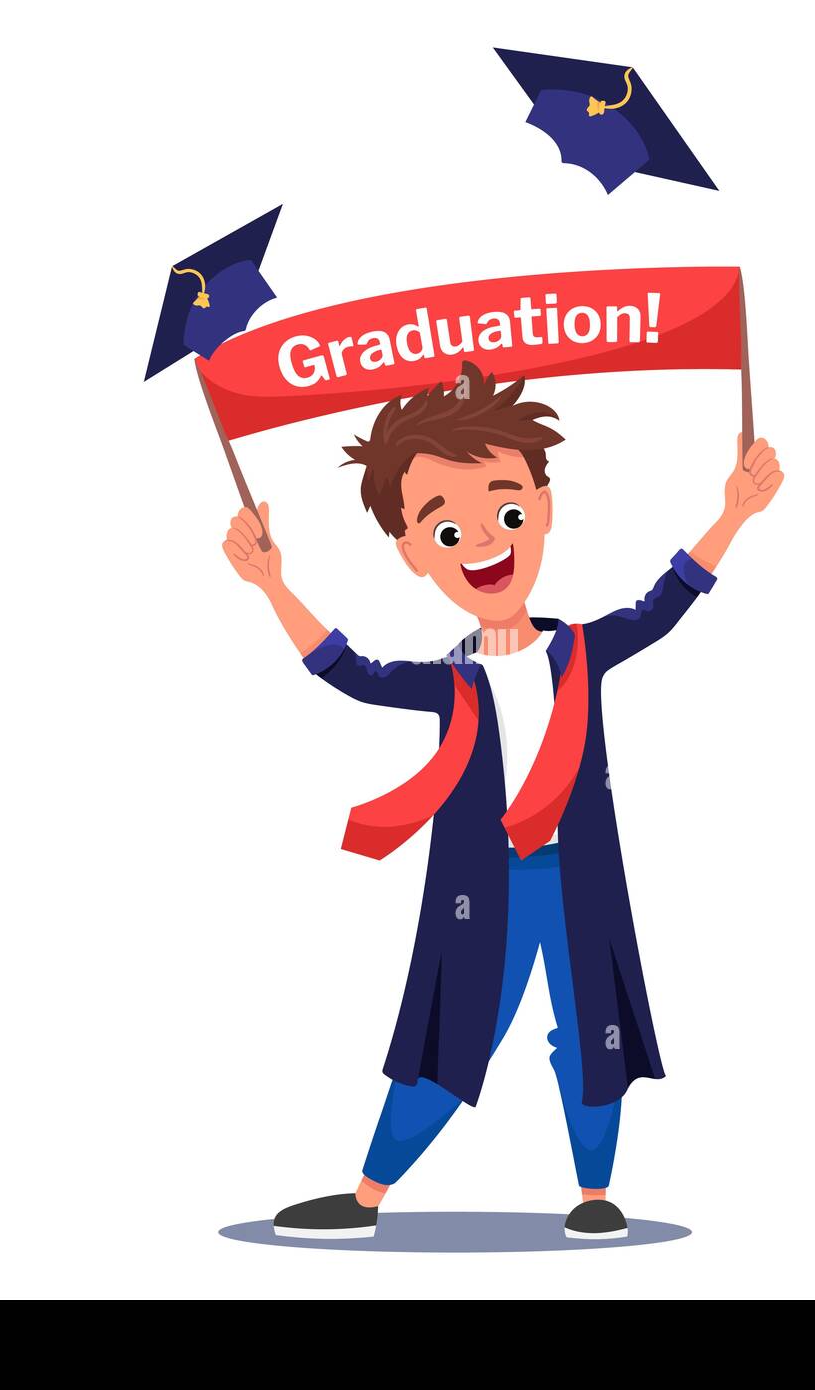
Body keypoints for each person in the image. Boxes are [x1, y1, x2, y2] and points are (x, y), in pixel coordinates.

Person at [222, 361, 784, 1240]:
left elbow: (666, 603)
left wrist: (734, 514)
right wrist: (272, 585)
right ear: (414, 553)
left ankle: (594, 1196)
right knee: (456, 1031)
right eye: (446, 529)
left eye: (508, 512)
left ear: (543, 508)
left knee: (591, 1028)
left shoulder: (583, 653)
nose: (484, 542)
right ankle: (366, 1196)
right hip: (482, 882)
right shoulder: (451, 684)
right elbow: (350, 673)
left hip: (578, 876)